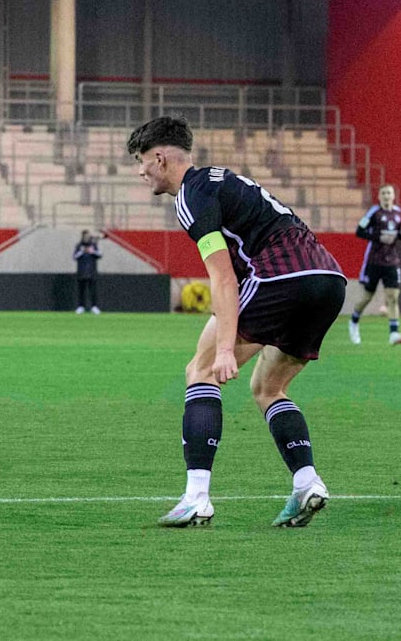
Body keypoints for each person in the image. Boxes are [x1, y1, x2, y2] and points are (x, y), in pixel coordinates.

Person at [127, 116, 344, 528]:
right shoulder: (222, 180)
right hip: (329, 280)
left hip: (280, 277)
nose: (141, 171)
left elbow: (223, 277)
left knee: (202, 370)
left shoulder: (191, 195)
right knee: (268, 388)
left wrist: (226, 348)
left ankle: (196, 498)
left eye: (141, 161)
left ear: (160, 158)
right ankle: (306, 482)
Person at [348, 185, 401, 346]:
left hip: (391, 260)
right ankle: (354, 321)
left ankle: (394, 333)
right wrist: (378, 237)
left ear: (393, 196)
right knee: (367, 297)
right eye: (383, 193)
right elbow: (359, 231)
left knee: (393, 297)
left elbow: (400, 231)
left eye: (389, 193)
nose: (386, 196)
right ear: (379, 196)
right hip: (374, 260)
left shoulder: (398, 212)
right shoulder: (374, 212)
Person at [73, 230, 104, 314]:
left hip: (92, 272)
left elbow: (100, 255)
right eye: (85, 236)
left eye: (88, 236)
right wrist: (82, 251)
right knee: (81, 291)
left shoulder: (93, 245)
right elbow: (75, 257)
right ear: (82, 236)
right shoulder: (79, 246)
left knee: (93, 291)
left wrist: (92, 251)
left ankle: (94, 307)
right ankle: (81, 307)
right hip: (81, 272)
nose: (87, 238)